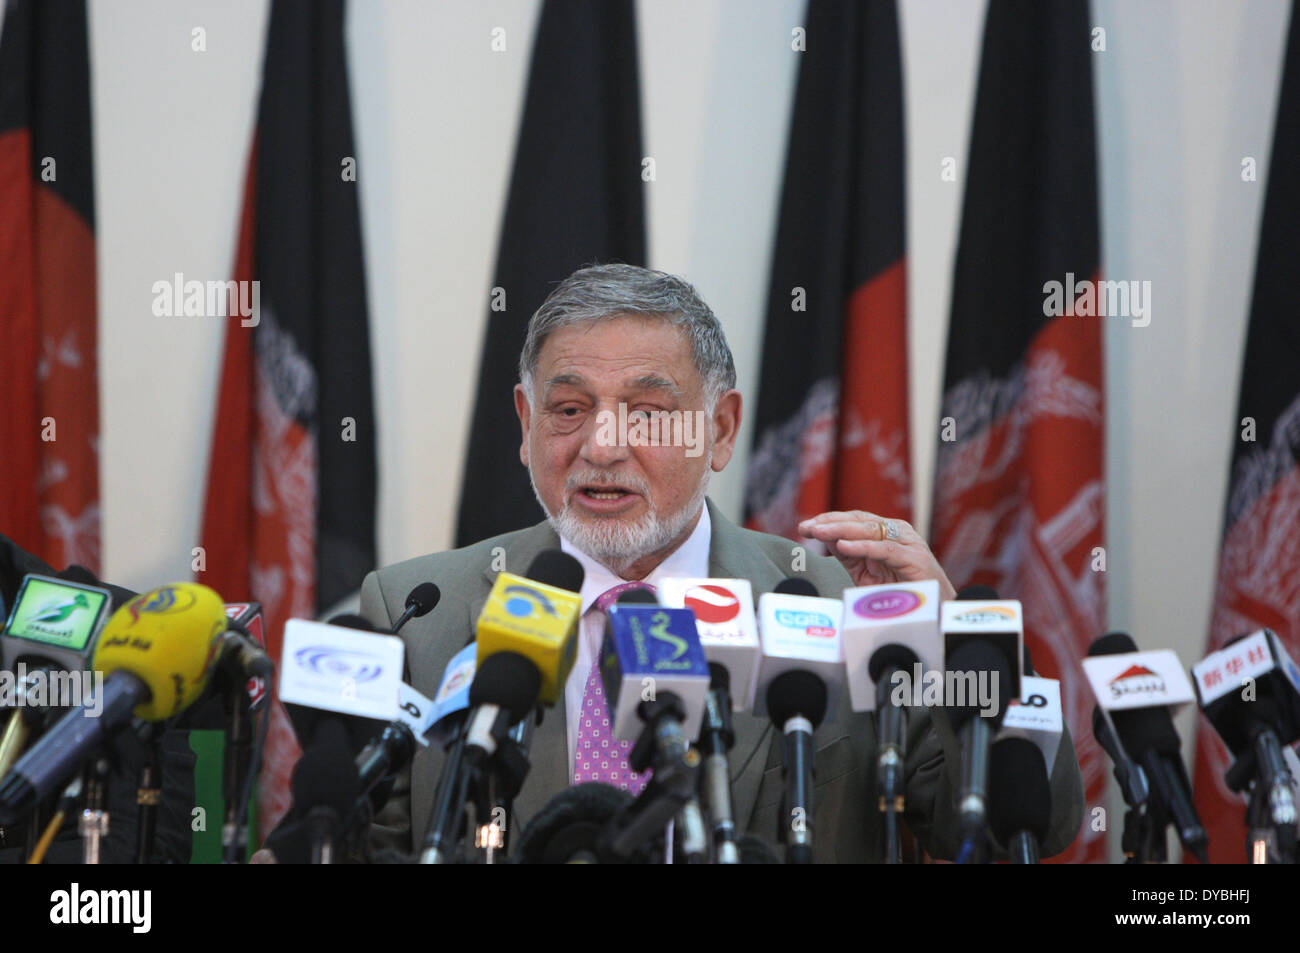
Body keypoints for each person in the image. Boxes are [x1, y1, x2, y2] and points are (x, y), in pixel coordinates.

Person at [361, 263, 1083, 862]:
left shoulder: (840, 608)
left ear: (721, 429)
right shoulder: (421, 613)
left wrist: (962, 641)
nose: (603, 446)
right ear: (526, 425)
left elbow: (1031, 824)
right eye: (570, 409)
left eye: (647, 410)